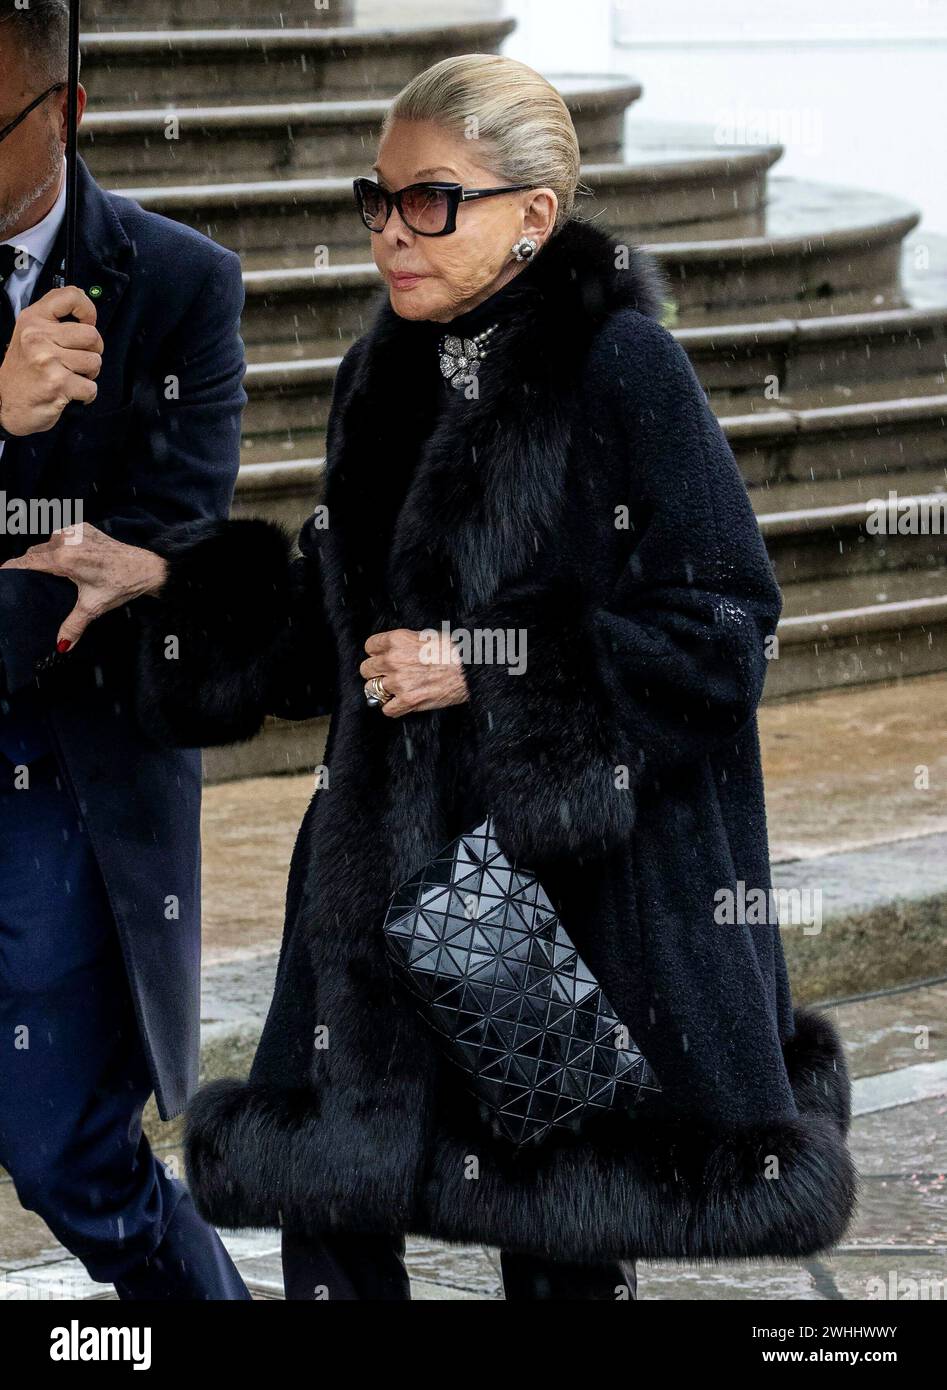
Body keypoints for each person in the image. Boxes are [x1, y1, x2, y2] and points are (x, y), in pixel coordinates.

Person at [14, 53, 857, 1301]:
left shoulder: (622, 371)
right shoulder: (384, 370)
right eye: (379, 198)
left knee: (555, 1244)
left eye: (430, 201)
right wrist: (166, 587)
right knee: (328, 1217)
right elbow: (334, 627)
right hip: (371, 898)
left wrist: (493, 668)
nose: (391, 234)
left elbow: (723, 622)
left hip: (542, 910)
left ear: (533, 216)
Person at [0, 0, 250, 1299]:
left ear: (66, 112)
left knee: (64, 1146)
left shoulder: (182, 285)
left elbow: (158, 560)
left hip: (63, 772)